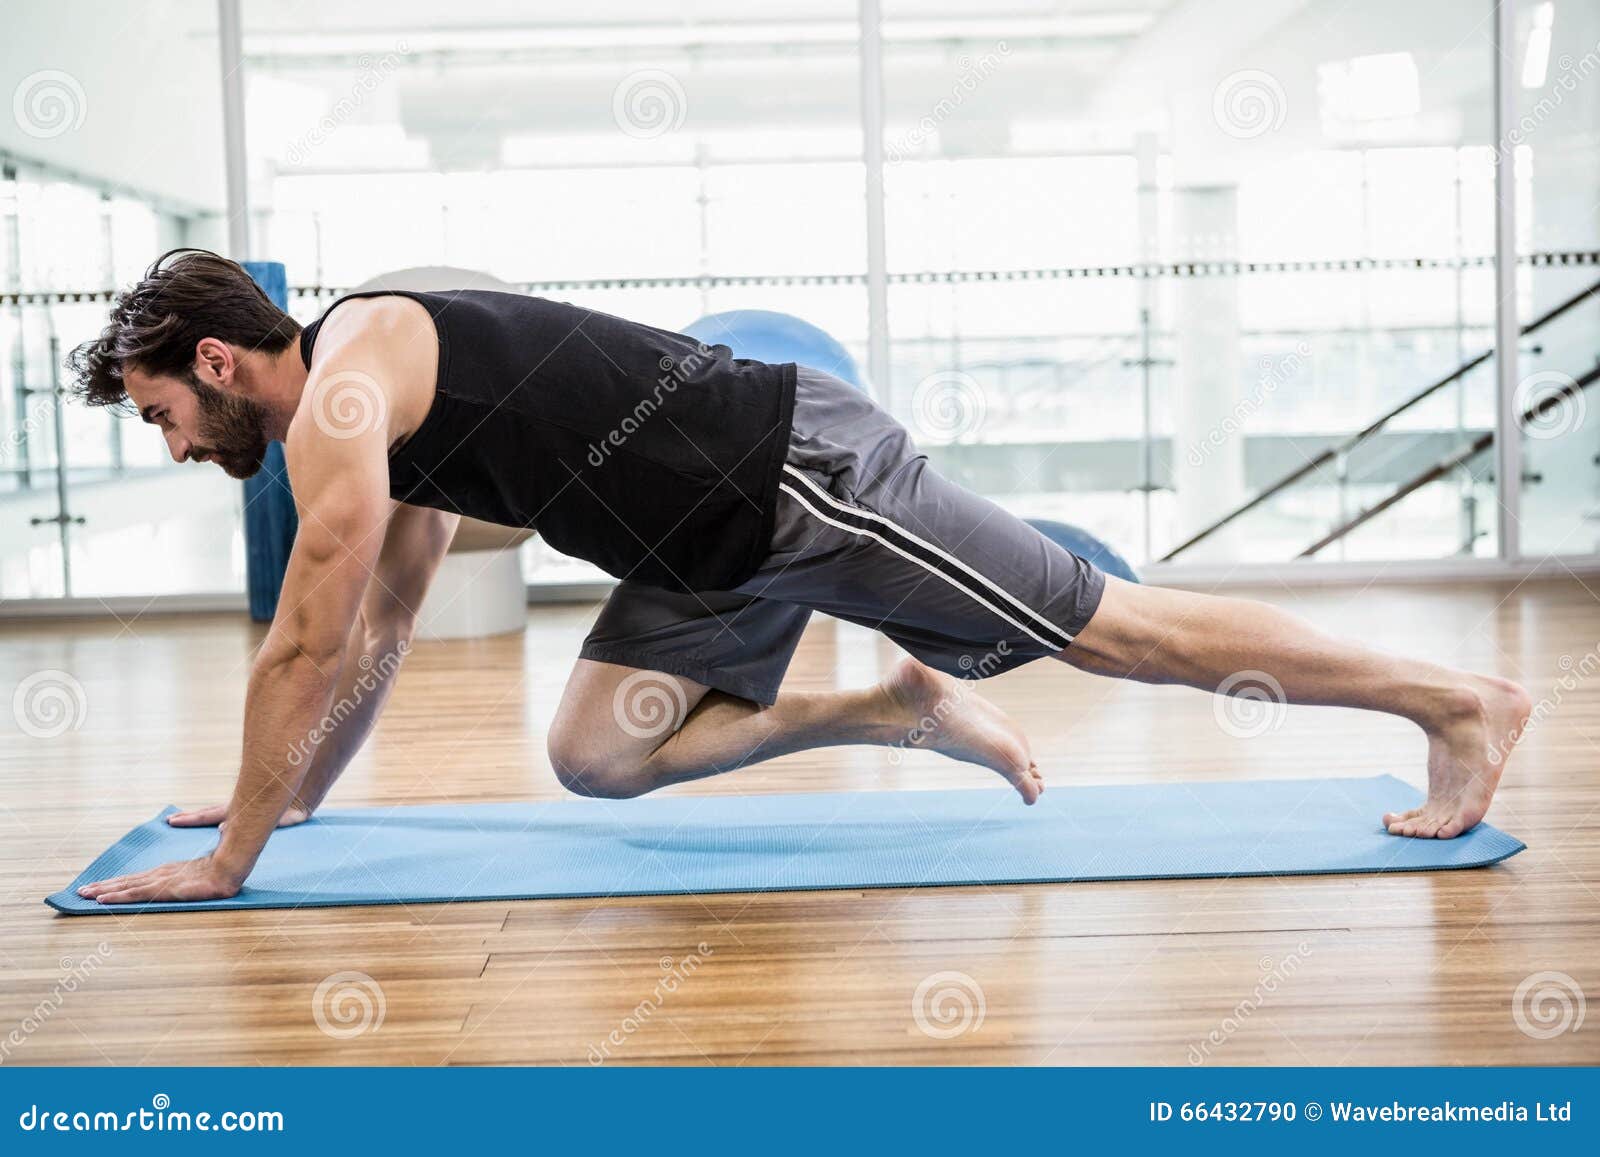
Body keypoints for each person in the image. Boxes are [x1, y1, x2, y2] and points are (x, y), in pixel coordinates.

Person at [64, 250, 1531, 905]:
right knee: (593, 753)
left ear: (213, 361)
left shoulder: (340, 394)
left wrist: (234, 857)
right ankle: (893, 708)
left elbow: (301, 646)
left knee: (1105, 628)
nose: (176, 443)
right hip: (699, 548)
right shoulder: (369, 410)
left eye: (161, 414)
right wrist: (299, 798)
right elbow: (379, 622)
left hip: (789, 476)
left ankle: (1453, 699)